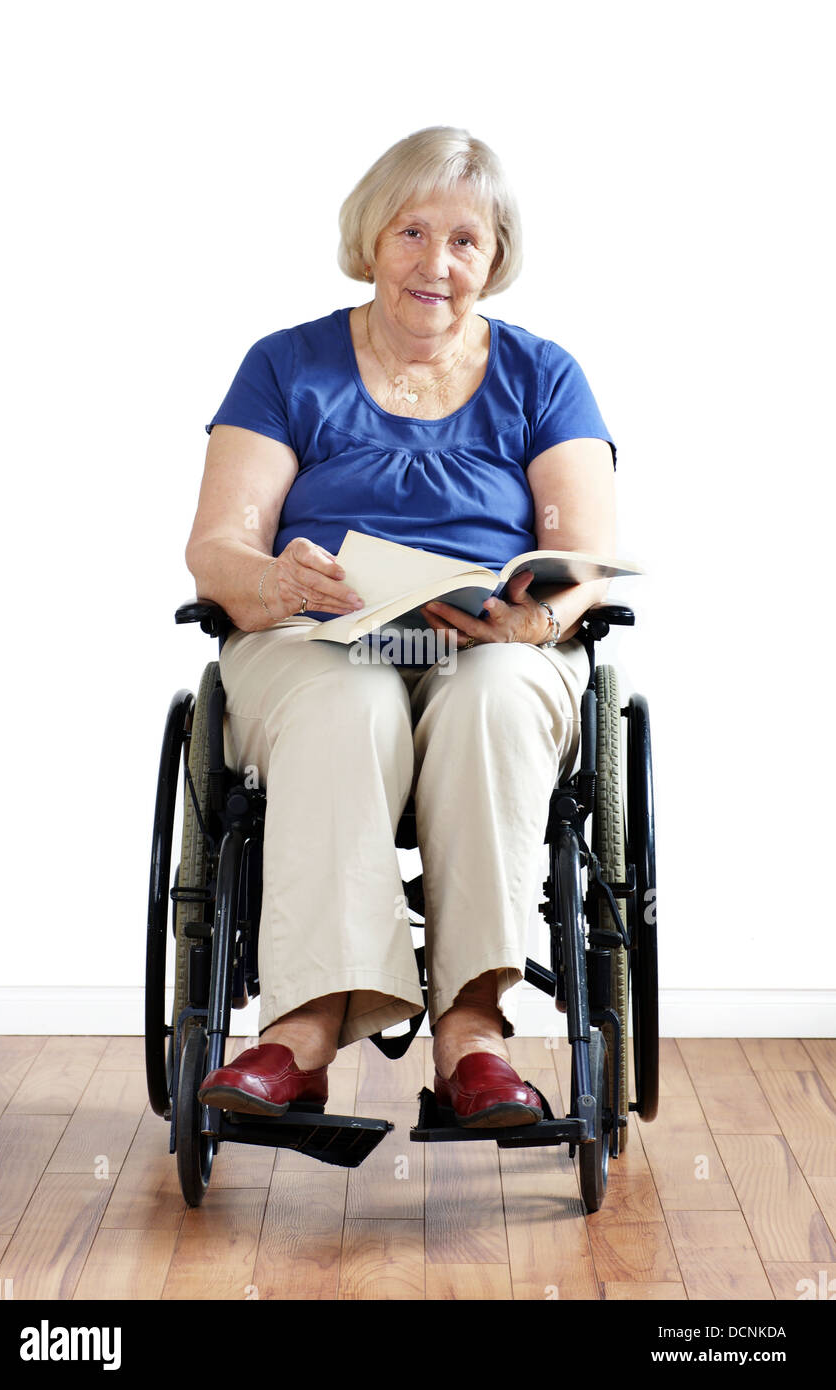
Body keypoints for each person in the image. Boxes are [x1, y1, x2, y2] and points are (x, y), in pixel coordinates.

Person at [189, 126, 617, 1128]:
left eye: (465, 240)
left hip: (491, 649)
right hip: (318, 638)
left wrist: (534, 613)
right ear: (370, 239)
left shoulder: (543, 376)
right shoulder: (284, 366)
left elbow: (582, 557)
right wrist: (277, 575)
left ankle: (470, 1040)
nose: (436, 262)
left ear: (493, 258)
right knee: (348, 700)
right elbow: (215, 552)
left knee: (497, 700)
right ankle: (297, 1034)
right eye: (413, 231)